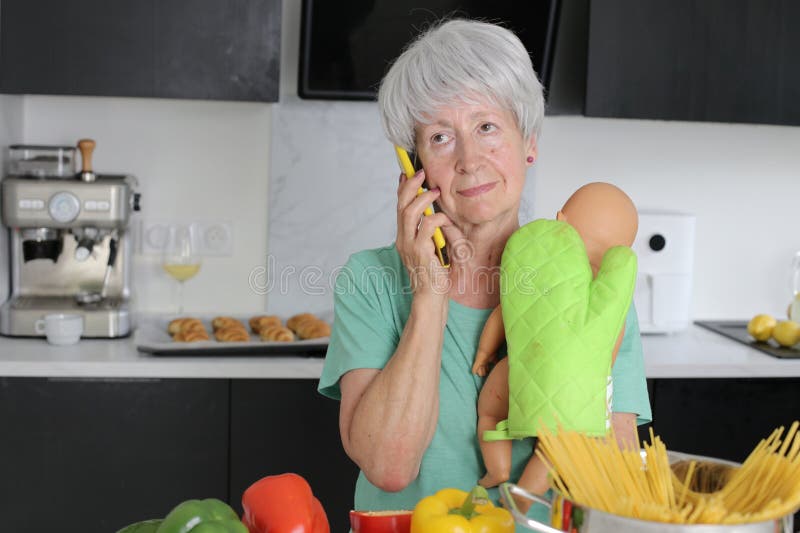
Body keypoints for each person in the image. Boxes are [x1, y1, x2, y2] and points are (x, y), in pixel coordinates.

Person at [318, 18, 651, 520]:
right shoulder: (371, 281)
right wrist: (430, 294)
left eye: (487, 127)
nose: (470, 160)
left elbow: (612, 484)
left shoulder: (592, 283)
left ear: (529, 142)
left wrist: (582, 364)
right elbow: (390, 468)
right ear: (414, 167)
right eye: (440, 138)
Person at [473, 182, 639, 492]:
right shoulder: (610, 300)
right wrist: (593, 374)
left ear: (560, 222)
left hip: (521, 366)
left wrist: (484, 352)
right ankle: (526, 496)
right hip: (579, 381)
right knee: (560, 446)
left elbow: (504, 313)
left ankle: (497, 468)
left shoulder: (534, 272)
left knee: (491, 412)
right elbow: (610, 345)